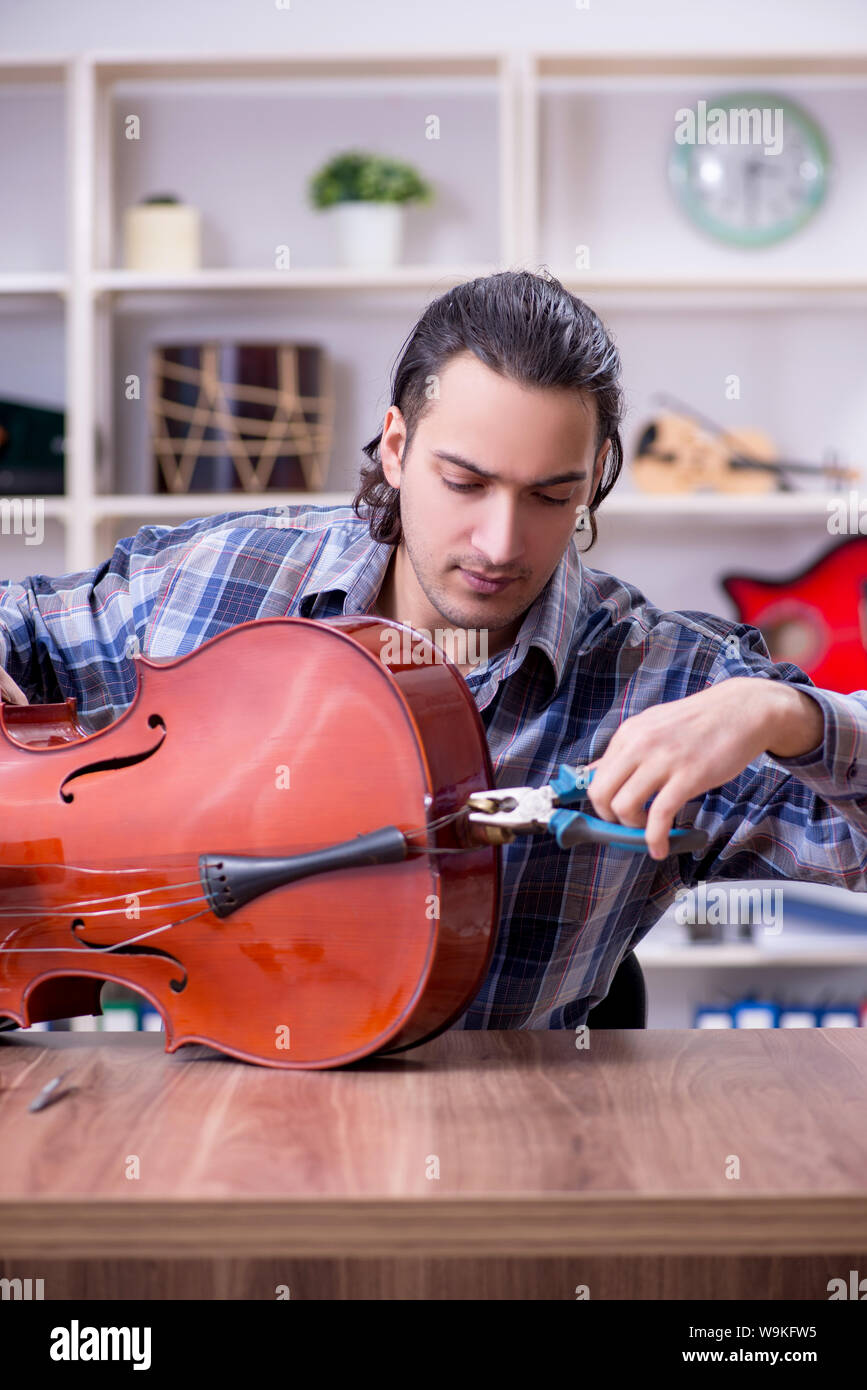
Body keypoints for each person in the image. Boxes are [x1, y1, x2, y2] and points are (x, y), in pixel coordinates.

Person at [1, 268, 864, 1029]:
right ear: (397, 443)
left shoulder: (663, 682)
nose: (498, 542)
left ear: (596, 476)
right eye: (465, 482)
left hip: (511, 1155)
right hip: (214, 1128)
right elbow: (22, 623)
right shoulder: (219, 577)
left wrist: (781, 712)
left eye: (549, 496)